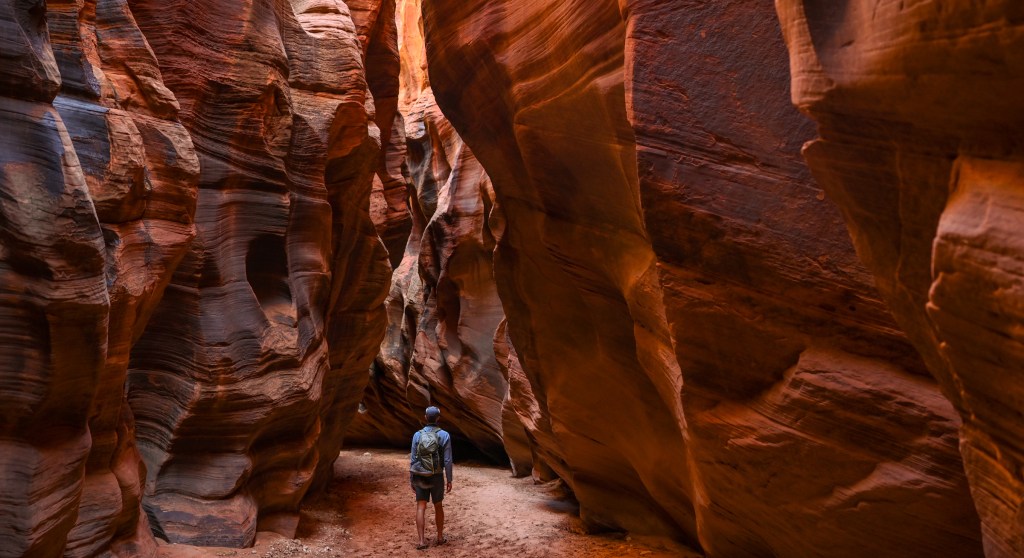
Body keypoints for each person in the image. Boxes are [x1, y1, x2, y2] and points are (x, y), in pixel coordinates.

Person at [410, 406, 453, 549]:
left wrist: (412, 478)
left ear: (425, 417)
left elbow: (413, 458)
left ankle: (422, 541)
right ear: (438, 418)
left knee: (421, 507)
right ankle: (440, 538)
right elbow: (447, 460)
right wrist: (449, 478)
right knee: (438, 506)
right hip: (436, 475)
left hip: (420, 475)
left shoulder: (417, 435)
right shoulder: (444, 435)